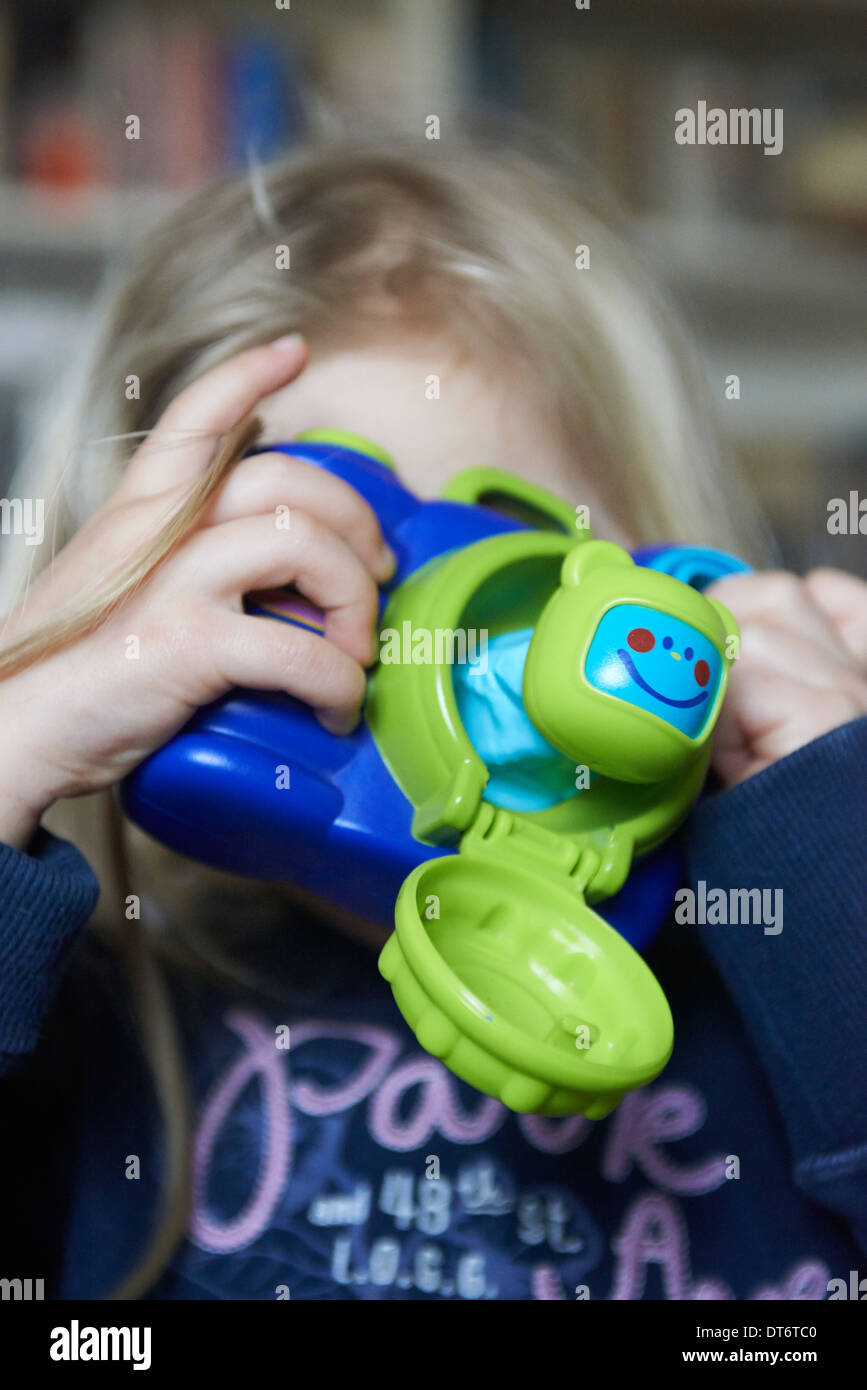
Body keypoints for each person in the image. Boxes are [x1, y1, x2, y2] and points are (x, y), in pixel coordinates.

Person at [1, 134, 865, 1301]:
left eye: (517, 564)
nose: (438, 658)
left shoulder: (783, 965)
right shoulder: (101, 1011)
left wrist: (832, 847)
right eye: (310, 575)